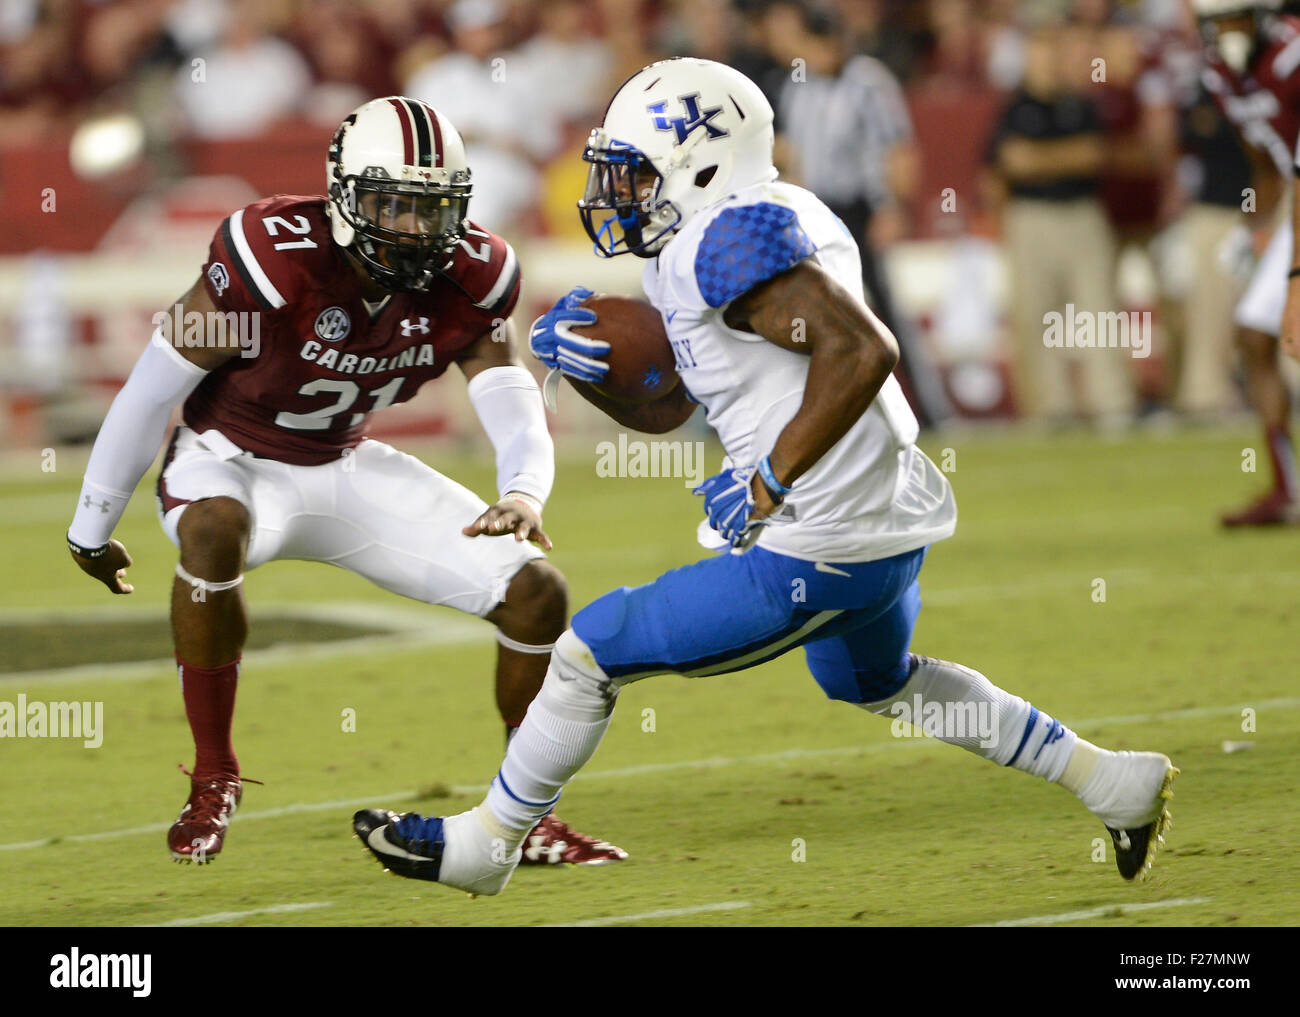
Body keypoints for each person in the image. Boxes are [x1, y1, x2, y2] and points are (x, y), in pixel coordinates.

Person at [354, 59, 1177, 896]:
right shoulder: (747, 224)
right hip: (875, 516)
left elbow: (861, 348)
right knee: (870, 679)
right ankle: (1111, 778)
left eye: (633, 172)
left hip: (821, 539)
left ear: (700, 164)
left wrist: (767, 482)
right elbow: (683, 402)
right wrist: (608, 374)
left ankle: (486, 845)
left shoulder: (726, 235)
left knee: (588, 651)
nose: (615, 192)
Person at [66, 96, 625, 868]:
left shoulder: (473, 272)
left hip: (344, 462)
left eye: (432, 210)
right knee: (213, 528)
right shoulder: (272, 254)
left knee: (537, 592)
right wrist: (92, 523)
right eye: (391, 204)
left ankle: (523, 819)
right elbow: (153, 390)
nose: (412, 229)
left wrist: (524, 490)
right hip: (229, 456)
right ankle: (213, 775)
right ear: (342, 194)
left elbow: (505, 384)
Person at [1196, 0, 1300, 524]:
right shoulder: (1219, 71)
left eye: (1232, 21)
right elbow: (1268, 161)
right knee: (1257, 337)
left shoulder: (1292, 55)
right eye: (1212, 25)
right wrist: (1252, 227)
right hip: (1295, 201)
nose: (1223, 36)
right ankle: (1288, 489)